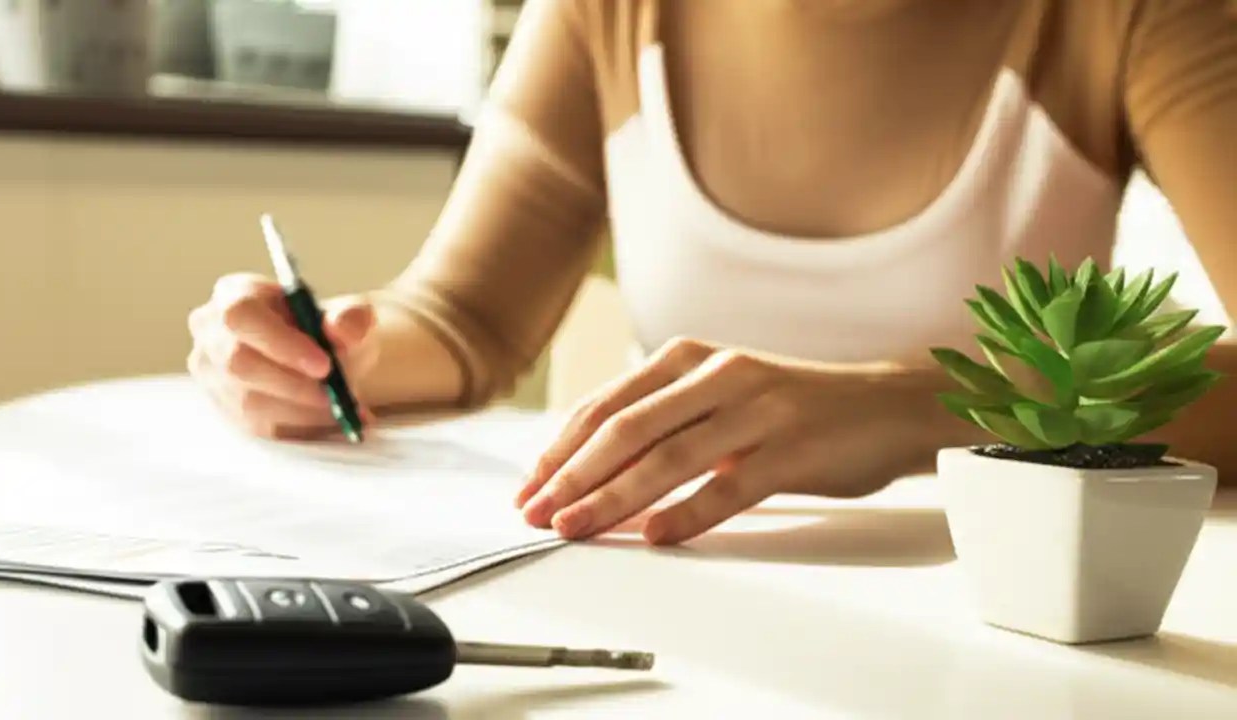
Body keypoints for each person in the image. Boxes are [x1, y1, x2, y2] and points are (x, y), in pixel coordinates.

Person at [188, 0, 1237, 545]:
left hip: (1015, 640)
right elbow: (459, 323)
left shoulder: (1130, 15)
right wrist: (323, 355)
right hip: (685, 623)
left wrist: (917, 410)